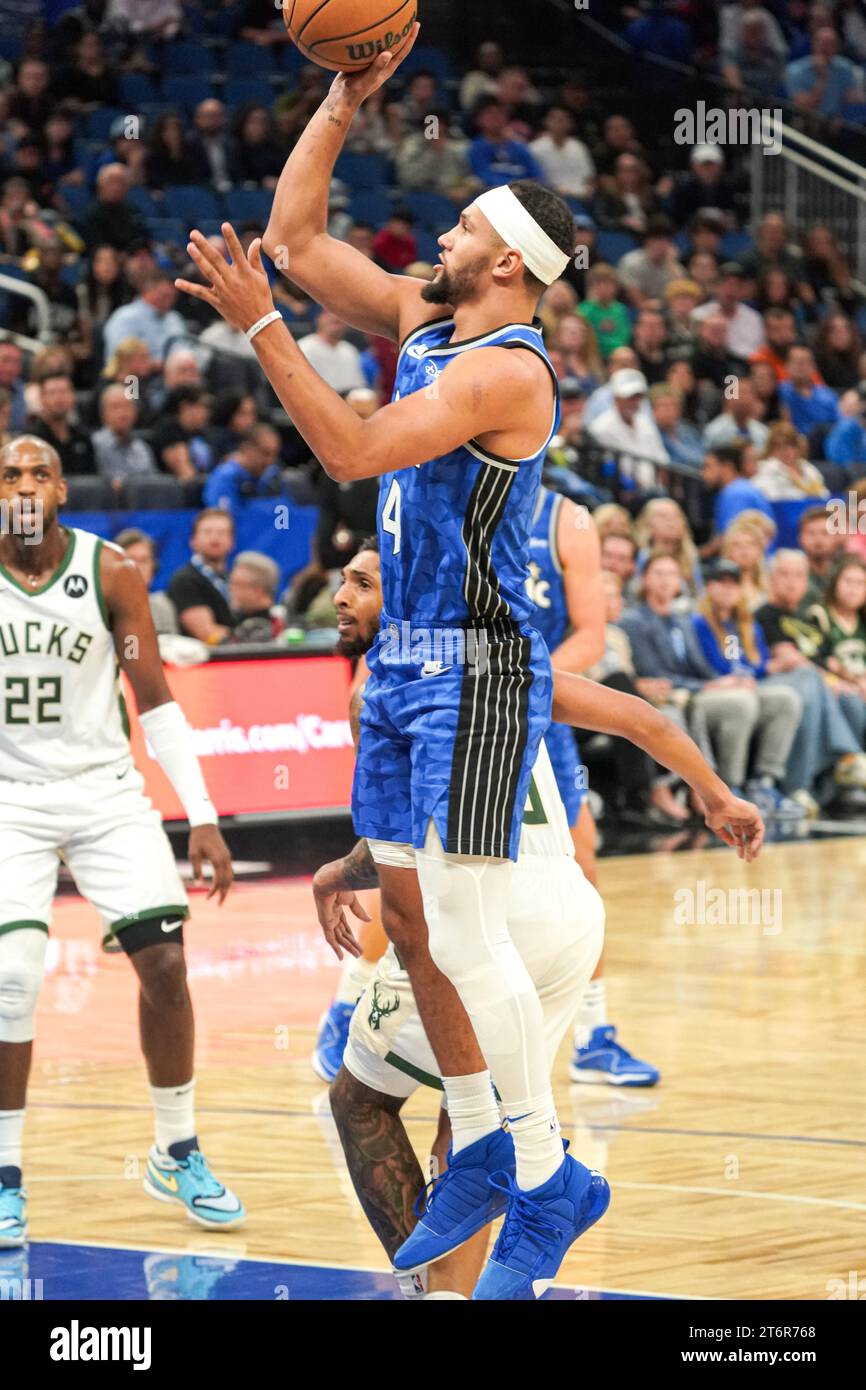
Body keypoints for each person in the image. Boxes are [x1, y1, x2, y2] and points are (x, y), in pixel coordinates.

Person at [180, 30, 609, 1299]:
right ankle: (489, 1144)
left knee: (467, 940)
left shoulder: (502, 371)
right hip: (404, 672)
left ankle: (542, 1165)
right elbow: (300, 243)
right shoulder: (431, 314)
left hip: (471, 662)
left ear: (509, 263)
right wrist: (339, 97)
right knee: (415, 920)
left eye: (466, 220)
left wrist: (262, 331)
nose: (445, 227)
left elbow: (356, 451)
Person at [312, 537, 762, 1299]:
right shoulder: (505, 662)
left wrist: (338, 879)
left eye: (363, 582)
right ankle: (496, 1273)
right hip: (571, 917)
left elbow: (402, 865)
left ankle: (442, 1288)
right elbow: (641, 718)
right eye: (345, 580)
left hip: (491, 915)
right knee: (475, 1115)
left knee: (359, 1101)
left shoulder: (377, 691)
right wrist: (717, 795)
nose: (341, 596)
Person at [0, 436, 240, 1249]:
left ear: (64, 490)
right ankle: (5, 1175)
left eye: (38, 473)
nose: (24, 485)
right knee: (10, 977)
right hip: (10, 801)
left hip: (105, 792)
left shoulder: (110, 572)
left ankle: (177, 1148)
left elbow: (156, 700)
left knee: (166, 960)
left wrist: (200, 813)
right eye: (9, 475)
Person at [526, 486, 660, 1085]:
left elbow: (591, 637)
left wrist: (524, 683)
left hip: (537, 703)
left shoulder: (565, 518)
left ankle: (593, 1034)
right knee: (417, 865)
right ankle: (354, 1005)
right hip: (458, 706)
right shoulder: (446, 491)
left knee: (582, 864)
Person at [691, 559, 804, 814]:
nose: (727, 589)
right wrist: (733, 680)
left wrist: (756, 673)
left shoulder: (747, 624)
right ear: (708, 587)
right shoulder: (696, 622)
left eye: (733, 584)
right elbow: (701, 664)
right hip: (710, 691)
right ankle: (731, 785)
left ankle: (765, 782)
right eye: (721, 583)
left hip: (744, 687)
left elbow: (759, 663)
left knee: (786, 699)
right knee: (742, 701)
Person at [756, 549, 866, 797]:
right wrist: (829, 679)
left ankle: (840, 788)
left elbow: (829, 661)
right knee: (812, 679)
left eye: (798, 575)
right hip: (780, 682)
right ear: (770, 579)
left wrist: (855, 683)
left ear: (806, 581)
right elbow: (789, 659)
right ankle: (806, 781)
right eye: (784, 574)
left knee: (851, 699)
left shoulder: (809, 619)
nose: (791, 581)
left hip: (817, 684)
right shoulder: (766, 614)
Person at [586, 367, 670, 491]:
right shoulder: (600, 428)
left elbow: (662, 460)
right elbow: (610, 470)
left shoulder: (645, 422)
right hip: (623, 493)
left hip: (654, 489)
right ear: (616, 397)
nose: (634, 402)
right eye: (629, 397)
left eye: (637, 397)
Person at [166, 508, 234, 645]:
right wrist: (245, 637)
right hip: (205, 660)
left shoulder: (232, 578)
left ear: (232, 541)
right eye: (207, 532)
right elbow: (208, 635)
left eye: (221, 533)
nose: (215, 538)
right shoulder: (185, 580)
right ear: (193, 540)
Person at [102, 271, 187, 366]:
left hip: (178, 374)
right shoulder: (125, 317)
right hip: (136, 378)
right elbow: (121, 359)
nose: (169, 302)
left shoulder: (174, 318)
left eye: (173, 297)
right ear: (148, 291)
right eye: (165, 296)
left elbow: (186, 350)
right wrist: (164, 365)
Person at [202, 424, 283, 517]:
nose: (270, 461)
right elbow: (223, 520)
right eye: (265, 453)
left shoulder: (272, 473)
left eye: (274, 454)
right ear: (246, 448)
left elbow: (283, 512)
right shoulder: (225, 477)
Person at [92, 383, 158, 491]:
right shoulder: (93, 445)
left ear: (135, 413)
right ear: (103, 413)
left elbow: (155, 485)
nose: (123, 412)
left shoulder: (142, 448)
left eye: (127, 406)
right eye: (115, 406)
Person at [703, 441, 775, 536]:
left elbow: (734, 536)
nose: (703, 474)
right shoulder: (737, 489)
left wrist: (700, 551)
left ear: (727, 467)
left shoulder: (736, 493)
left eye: (708, 466)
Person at [115, 527, 178, 635]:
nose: (138, 567)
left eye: (144, 561)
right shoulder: (103, 608)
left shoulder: (162, 606)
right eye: (131, 560)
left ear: (154, 567)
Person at [32, 374, 96, 476]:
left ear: (73, 396)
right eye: (52, 393)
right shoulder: (31, 439)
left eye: (63, 392)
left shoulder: (83, 437)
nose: (59, 398)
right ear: (41, 398)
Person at [754, 421, 829, 501]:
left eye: (789, 445)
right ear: (770, 450)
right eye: (778, 446)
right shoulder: (764, 470)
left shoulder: (809, 468)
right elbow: (772, 497)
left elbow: (825, 495)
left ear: (798, 447)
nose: (784, 450)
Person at [150, 386, 213, 481]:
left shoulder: (202, 432)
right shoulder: (169, 430)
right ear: (185, 407)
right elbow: (185, 473)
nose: (206, 412)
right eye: (202, 406)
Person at [297, 310, 366, 395]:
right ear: (318, 318)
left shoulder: (350, 350)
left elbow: (359, 388)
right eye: (328, 313)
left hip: (348, 402)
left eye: (340, 315)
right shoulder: (303, 347)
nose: (335, 317)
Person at [227, 551, 285, 643]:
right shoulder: (232, 620)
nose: (230, 589)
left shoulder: (277, 627)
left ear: (258, 591)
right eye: (231, 583)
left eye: (237, 584)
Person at [798, 505, 845, 604]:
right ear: (801, 538)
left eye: (825, 533)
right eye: (811, 533)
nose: (818, 539)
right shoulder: (790, 572)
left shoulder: (846, 572)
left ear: (836, 537)